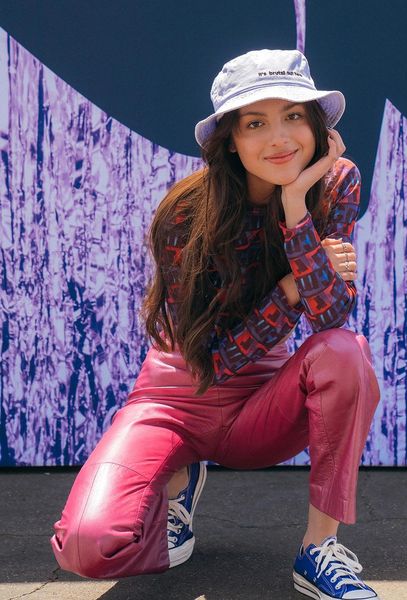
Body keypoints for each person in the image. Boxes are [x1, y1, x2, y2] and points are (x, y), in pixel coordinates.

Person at [50, 49, 381, 599]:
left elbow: (330, 315)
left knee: (344, 351)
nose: (280, 138)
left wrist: (295, 205)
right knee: (89, 546)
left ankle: (318, 548)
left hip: (262, 405)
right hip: (176, 399)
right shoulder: (186, 214)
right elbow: (215, 361)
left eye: (293, 116)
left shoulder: (336, 183)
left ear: (316, 125)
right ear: (229, 139)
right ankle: (177, 481)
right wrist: (292, 285)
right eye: (255, 123)